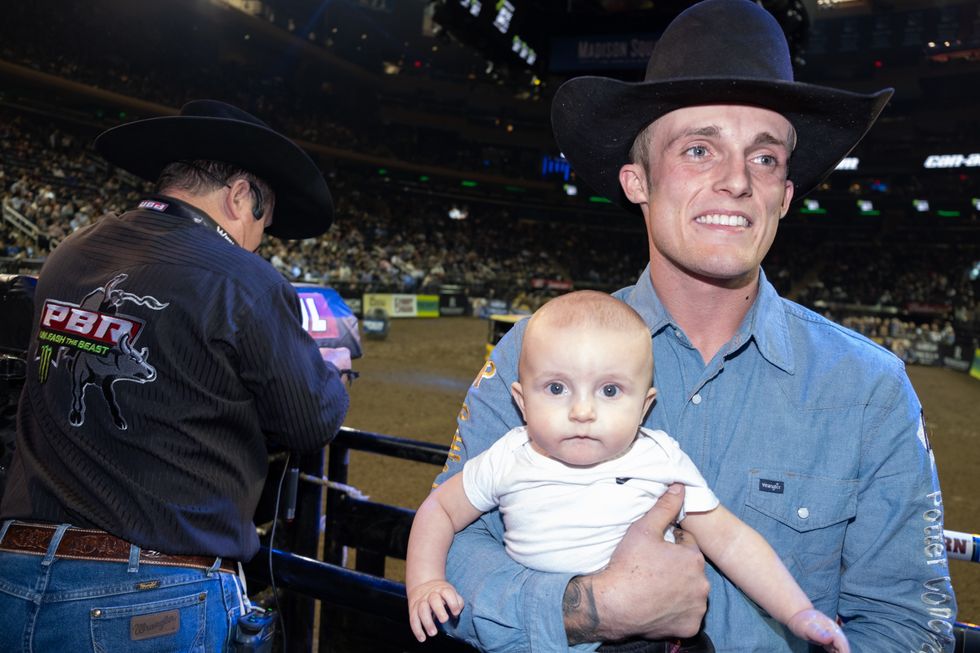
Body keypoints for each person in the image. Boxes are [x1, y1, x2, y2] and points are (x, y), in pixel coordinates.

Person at [434, 1, 957, 651]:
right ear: (638, 180)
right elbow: (453, 548)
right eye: (700, 148)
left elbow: (910, 624)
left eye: (765, 159)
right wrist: (592, 607)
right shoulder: (532, 350)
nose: (736, 180)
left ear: (785, 196)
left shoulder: (871, 389)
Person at [0, 100, 350, 652]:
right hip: (153, 593)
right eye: (264, 221)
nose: (261, 239)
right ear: (239, 196)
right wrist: (333, 367)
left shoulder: (70, 253)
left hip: (15, 571)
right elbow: (312, 420)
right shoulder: (244, 279)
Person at [407, 291, 849, 653]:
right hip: (546, 641)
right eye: (557, 388)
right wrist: (424, 581)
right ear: (522, 402)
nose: (582, 411)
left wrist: (797, 612)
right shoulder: (509, 455)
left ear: (645, 405)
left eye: (610, 390)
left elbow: (731, 539)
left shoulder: (659, 458)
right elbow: (440, 511)